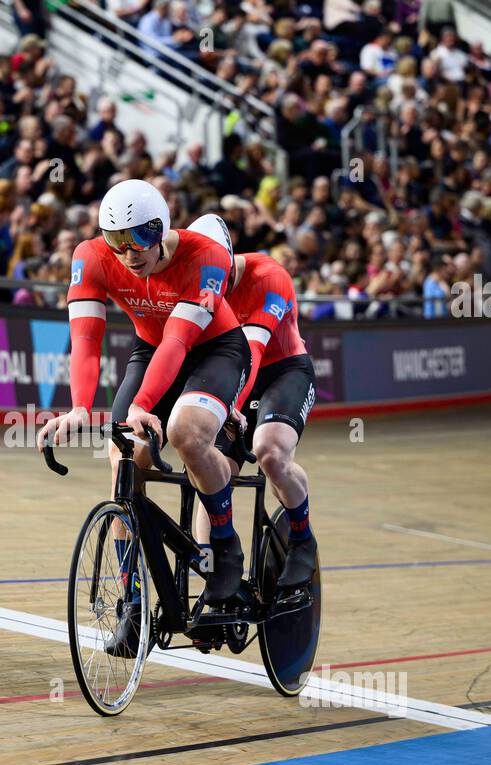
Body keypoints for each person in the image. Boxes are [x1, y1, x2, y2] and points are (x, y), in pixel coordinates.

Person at [36, 179, 250, 657]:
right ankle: (132, 607)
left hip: (213, 350)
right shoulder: (91, 258)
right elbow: (87, 340)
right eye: (117, 241)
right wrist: (77, 407)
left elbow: (179, 343)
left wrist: (142, 403)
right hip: (152, 349)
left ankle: (224, 542)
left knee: (186, 432)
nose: (128, 253)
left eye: (139, 238)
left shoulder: (206, 256)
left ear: (162, 229)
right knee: (122, 457)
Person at [188, 214, 318, 592]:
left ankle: (301, 537)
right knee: (208, 465)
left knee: (269, 451)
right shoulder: (201, 281)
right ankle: (215, 568)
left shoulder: (269, 276)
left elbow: (255, 351)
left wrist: (230, 409)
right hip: (237, 373)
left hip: (283, 370)